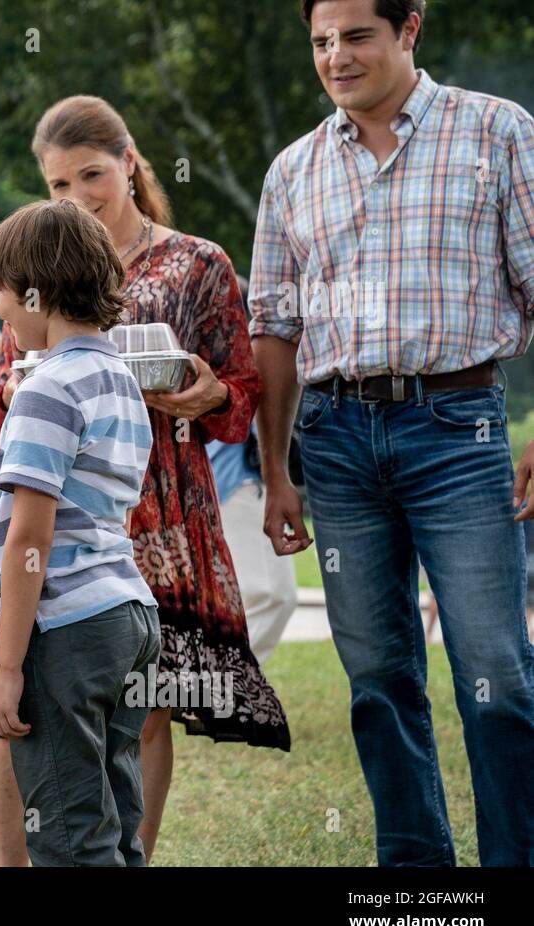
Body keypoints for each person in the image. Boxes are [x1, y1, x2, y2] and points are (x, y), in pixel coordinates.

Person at [250, 0, 534, 866]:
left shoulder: (497, 132)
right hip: (334, 441)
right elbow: (274, 328)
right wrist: (276, 471)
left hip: (459, 432)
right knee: (378, 682)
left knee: (498, 681)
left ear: (410, 29)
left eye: (357, 36)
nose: (336, 57)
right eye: (321, 42)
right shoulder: (293, 170)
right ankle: (418, 886)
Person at [0, 95, 290, 866]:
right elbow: (3, 393)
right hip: (78, 503)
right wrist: (19, 391)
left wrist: (205, 391)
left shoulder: (196, 263)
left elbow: (242, 393)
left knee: (123, 715)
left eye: (89, 174)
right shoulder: (43, 262)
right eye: (57, 184)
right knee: (52, 722)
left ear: (128, 163)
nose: (75, 195)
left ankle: (118, 855)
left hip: (143, 510)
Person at [0, 199, 161, 866]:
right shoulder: (118, 378)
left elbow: (31, 538)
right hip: (128, 617)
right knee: (115, 820)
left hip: (67, 628)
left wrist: (6, 668)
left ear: (35, 288)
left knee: (65, 833)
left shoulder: (47, 386)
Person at [205, 276, 299, 668]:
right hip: (231, 486)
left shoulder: (254, 357)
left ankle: (222, 684)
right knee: (260, 592)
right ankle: (212, 686)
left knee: (281, 596)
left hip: (257, 484)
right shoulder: (220, 360)